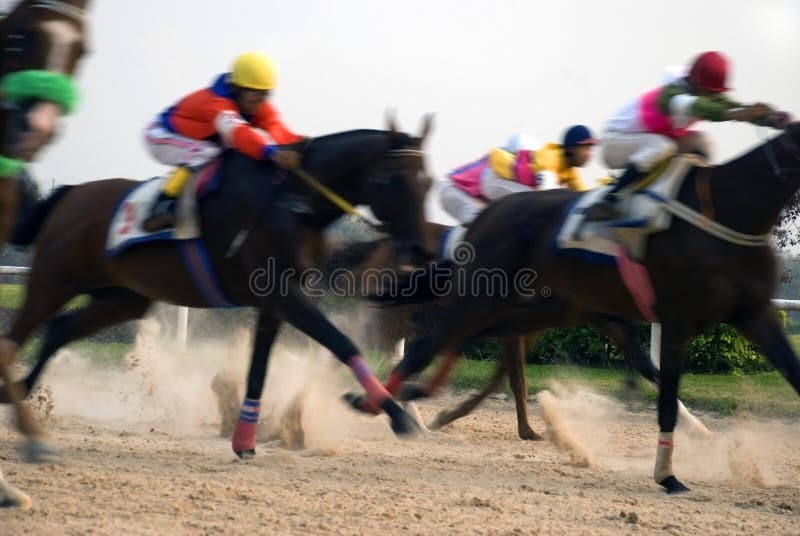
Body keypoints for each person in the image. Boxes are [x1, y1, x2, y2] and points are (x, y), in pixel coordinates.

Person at [584, 50, 792, 220]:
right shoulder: (671, 96)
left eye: (715, 93)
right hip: (613, 146)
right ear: (695, 85)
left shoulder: (700, 90)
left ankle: (688, 196)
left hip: (643, 143)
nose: (714, 97)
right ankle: (612, 199)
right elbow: (700, 107)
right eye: (710, 92)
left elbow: (731, 106)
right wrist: (736, 113)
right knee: (662, 146)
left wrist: (771, 119)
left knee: (703, 142)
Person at [142, 51, 304, 231]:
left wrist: (298, 145)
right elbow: (239, 133)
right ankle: (163, 203)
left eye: (265, 93)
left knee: (230, 148)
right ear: (237, 88)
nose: (260, 100)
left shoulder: (256, 102)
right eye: (254, 93)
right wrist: (271, 153)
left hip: (193, 138)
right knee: (209, 150)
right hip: (159, 135)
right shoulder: (217, 104)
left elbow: (275, 126)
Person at [440, 125, 597, 225]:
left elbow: (583, 193)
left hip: (479, 188)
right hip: (454, 188)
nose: (590, 154)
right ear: (570, 148)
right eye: (586, 148)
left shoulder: (568, 169)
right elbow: (548, 194)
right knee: (486, 224)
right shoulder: (549, 159)